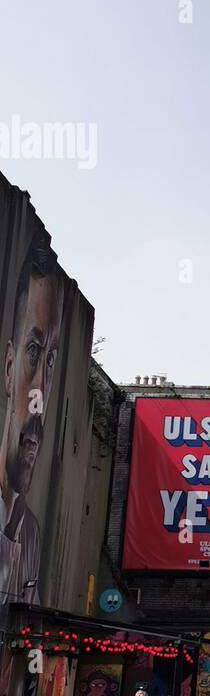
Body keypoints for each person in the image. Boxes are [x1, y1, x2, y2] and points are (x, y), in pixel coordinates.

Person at [0, 232, 64, 609]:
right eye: (34, 352)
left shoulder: (33, 534)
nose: (39, 393)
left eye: (52, 360)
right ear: (9, 367)